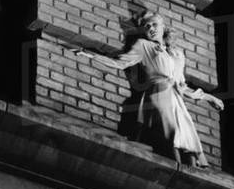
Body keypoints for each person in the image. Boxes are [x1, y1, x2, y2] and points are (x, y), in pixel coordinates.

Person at [74, 12, 223, 168]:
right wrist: (92, 55)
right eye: (147, 26)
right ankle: (176, 167)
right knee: (171, 130)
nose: (150, 28)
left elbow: (182, 86)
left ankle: (189, 171)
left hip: (176, 99)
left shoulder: (177, 54)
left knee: (186, 134)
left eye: (154, 25)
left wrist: (210, 98)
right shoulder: (143, 46)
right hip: (158, 93)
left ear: (163, 27)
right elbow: (120, 63)